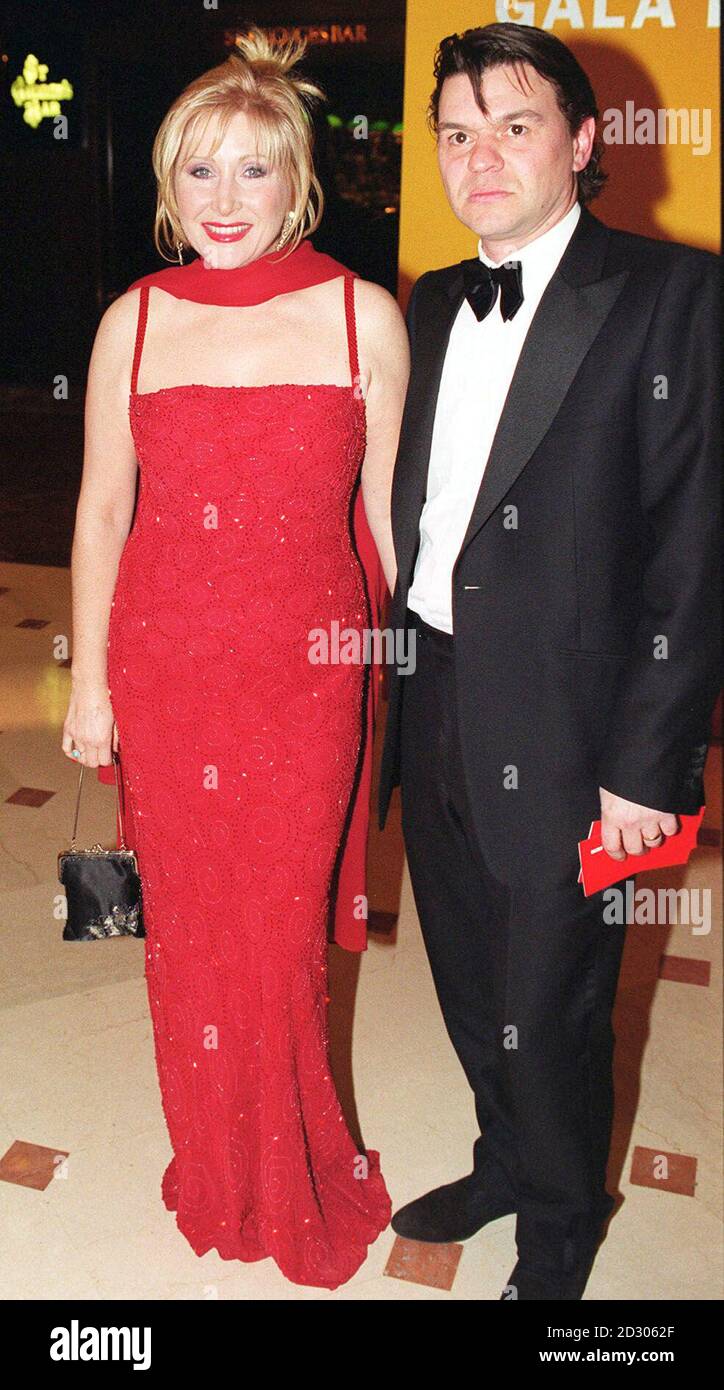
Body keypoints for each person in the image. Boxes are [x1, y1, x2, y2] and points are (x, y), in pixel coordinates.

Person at [62, 28, 409, 1290]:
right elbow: (103, 512)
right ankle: (215, 1160)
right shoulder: (134, 323)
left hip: (307, 674)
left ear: (298, 180)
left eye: (251, 173)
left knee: (274, 939)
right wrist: (92, 682)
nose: (222, 200)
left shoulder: (364, 315)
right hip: (165, 668)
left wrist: (404, 675)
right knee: (191, 937)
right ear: (167, 183)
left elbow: (383, 520)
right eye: (197, 172)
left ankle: (290, 1167)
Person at [378, 22, 720, 1300]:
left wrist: (648, 766)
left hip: (579, 728)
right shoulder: (427, 296)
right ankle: (505, 1157)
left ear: (581, 144)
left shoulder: (675, 296)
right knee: (469, 970)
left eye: (513, 128)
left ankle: (563, 1220)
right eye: (457, 134)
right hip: (441, 690)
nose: (480, 158)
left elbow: (697, 550)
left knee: (560, 995)